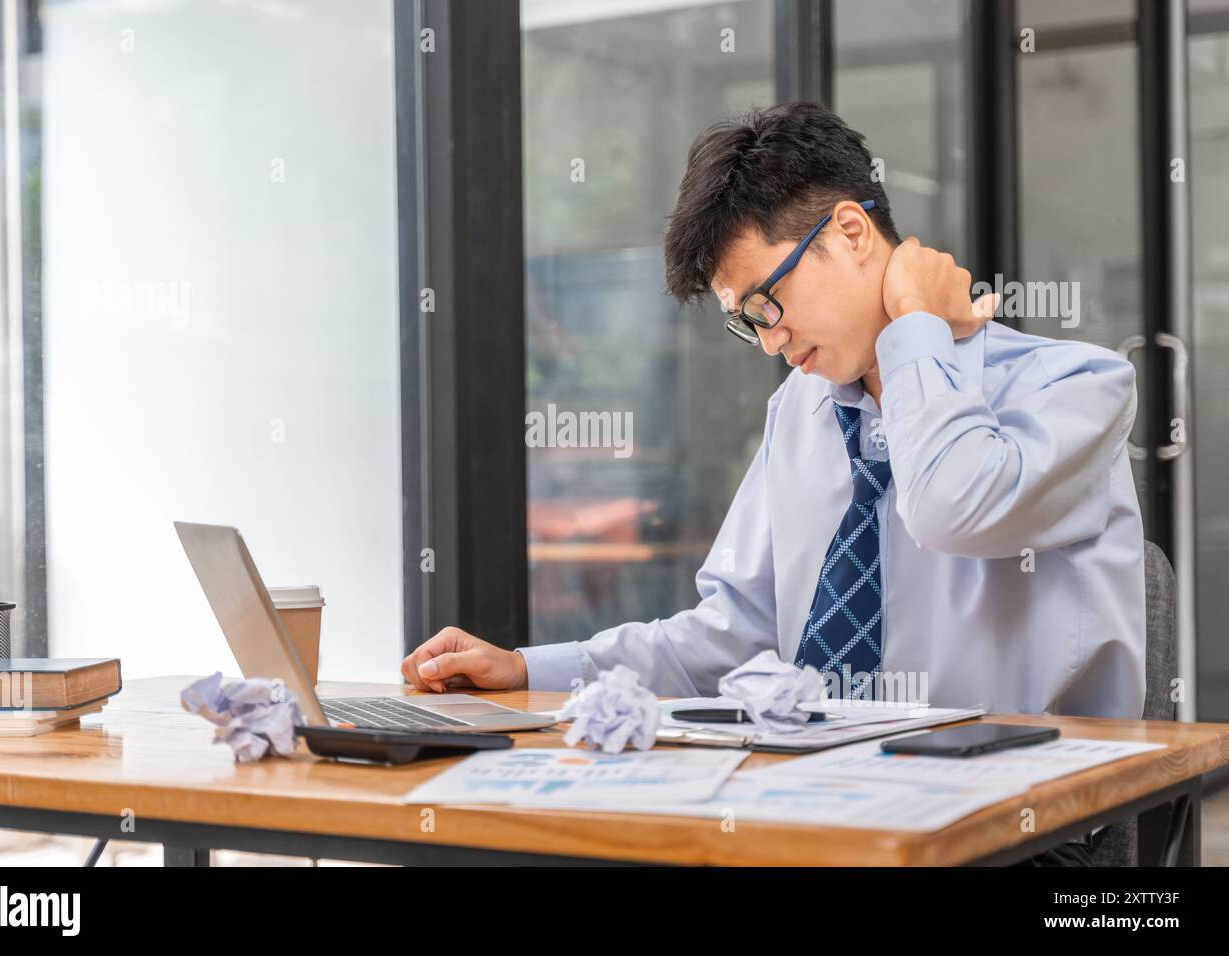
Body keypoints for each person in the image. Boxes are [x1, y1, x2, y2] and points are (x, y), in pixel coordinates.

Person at [402, 102, 1145, 739]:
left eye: (767, 302)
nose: (769, 340)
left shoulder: (1076, 386)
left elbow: (952, 508)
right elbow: (732, 636)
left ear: (850, 233)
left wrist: (915, 321)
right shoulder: (803, 409)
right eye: (745, 322)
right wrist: (526, 668)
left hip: (1024, 811)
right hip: (836, 789)